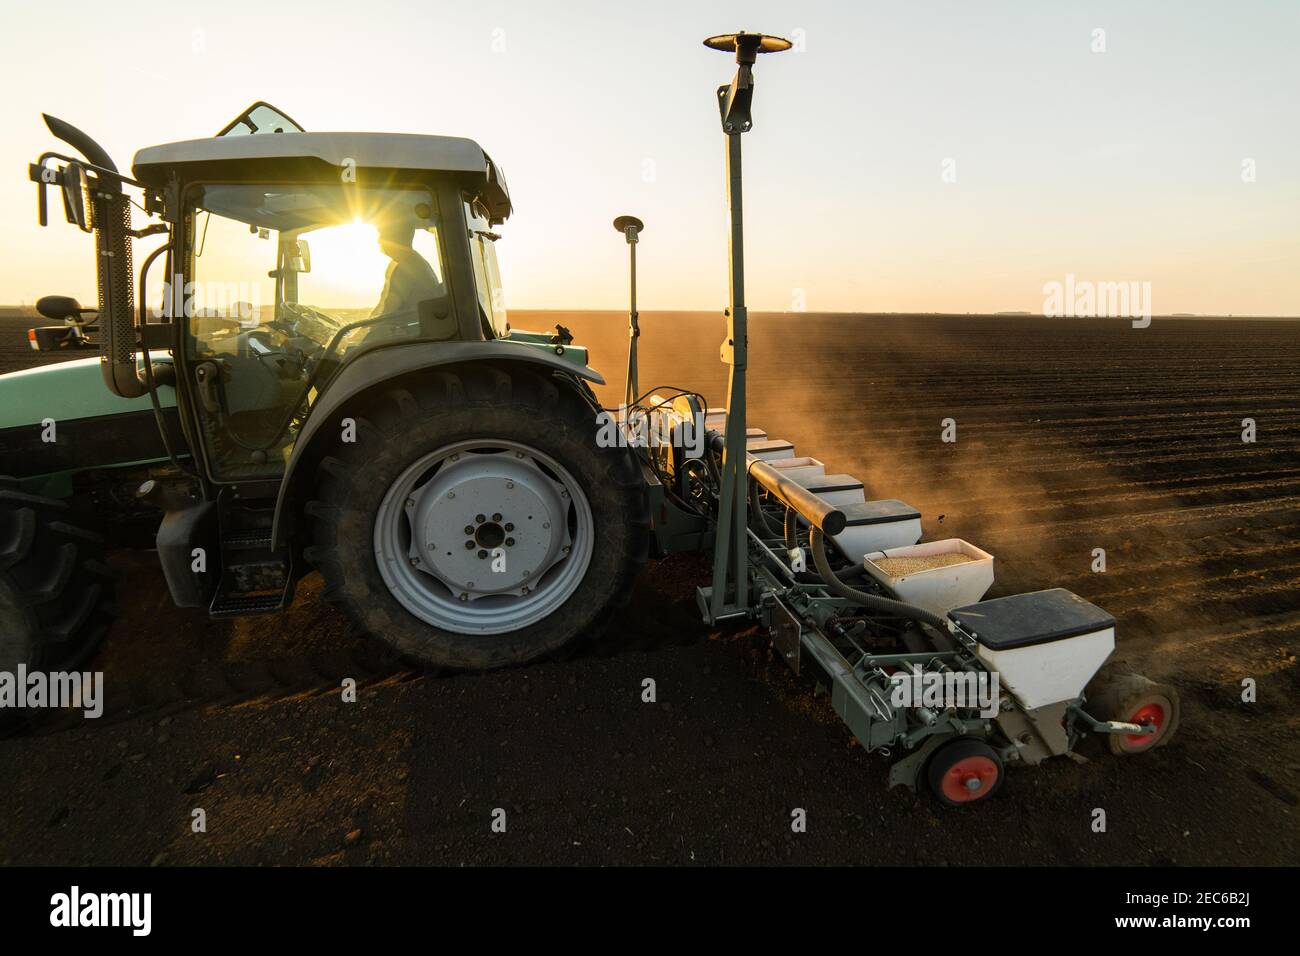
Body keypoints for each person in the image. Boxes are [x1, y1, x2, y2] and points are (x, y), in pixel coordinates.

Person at [370, 221, 445, 324]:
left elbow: (387, 312)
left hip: (410, 333)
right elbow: (381, 307)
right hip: (409, 330)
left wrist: (363, 337)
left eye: (383, 235)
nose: (379, 240)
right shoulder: (402, 263)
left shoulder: (407, 267)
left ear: (395, 238)